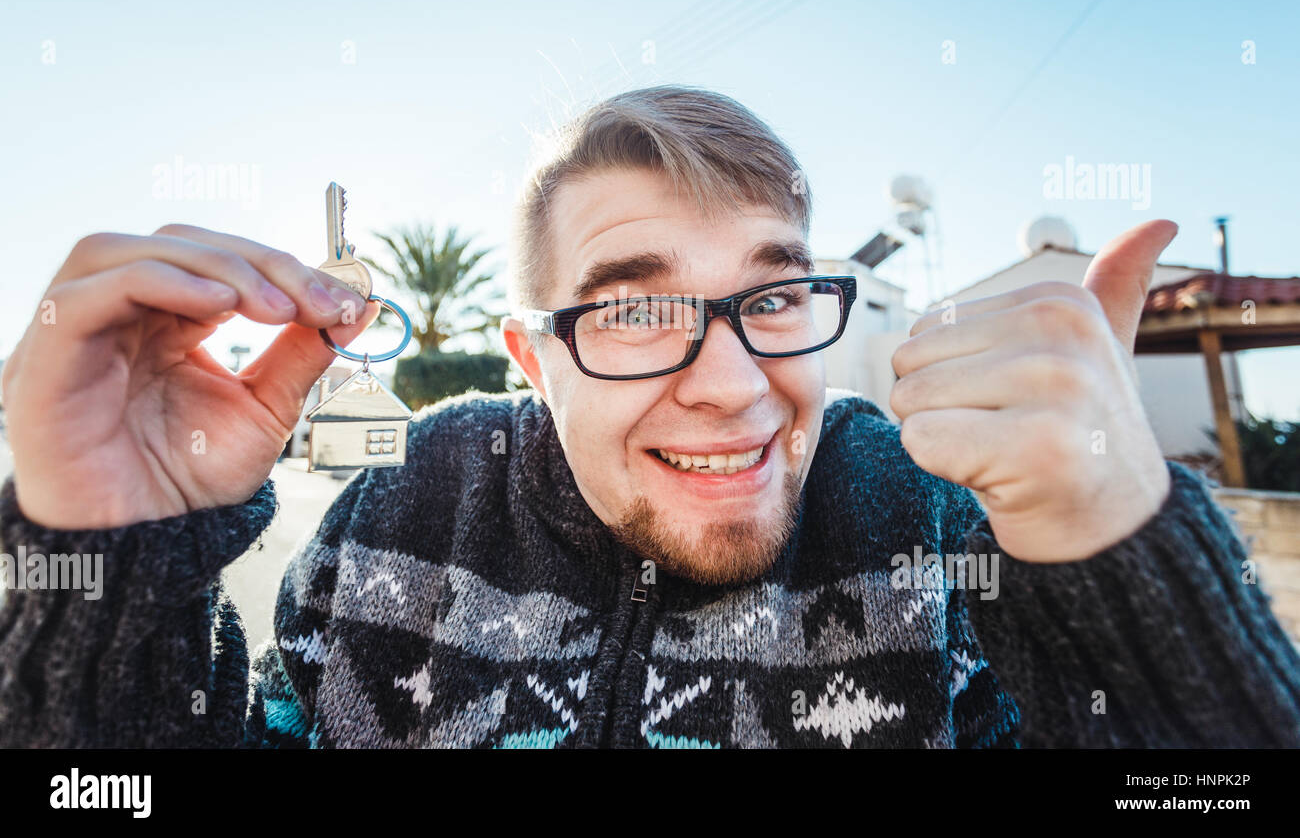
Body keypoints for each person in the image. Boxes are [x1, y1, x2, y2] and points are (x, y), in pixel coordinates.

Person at [1, 86, 1296, 748]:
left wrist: (1128, 560)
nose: (732, 383)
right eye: (632, 311)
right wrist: (105, 579)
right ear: (530, 355)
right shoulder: (403, 516)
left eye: (773, 294)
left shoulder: (928, 528)